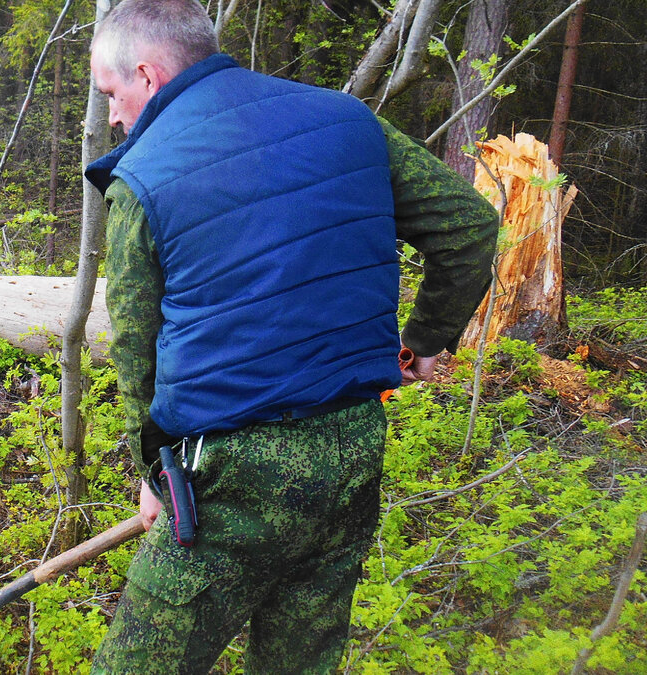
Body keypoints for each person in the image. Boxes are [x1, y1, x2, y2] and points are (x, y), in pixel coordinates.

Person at [82, 1, 500, 673]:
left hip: (228, 475)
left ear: (147, 75)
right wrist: (426, 340)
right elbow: (470, 225)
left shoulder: (147, 175)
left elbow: (138, 352)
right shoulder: (346, 120)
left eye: (111, 93)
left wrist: (154, 471)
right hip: (351, 454)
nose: (111, 115)